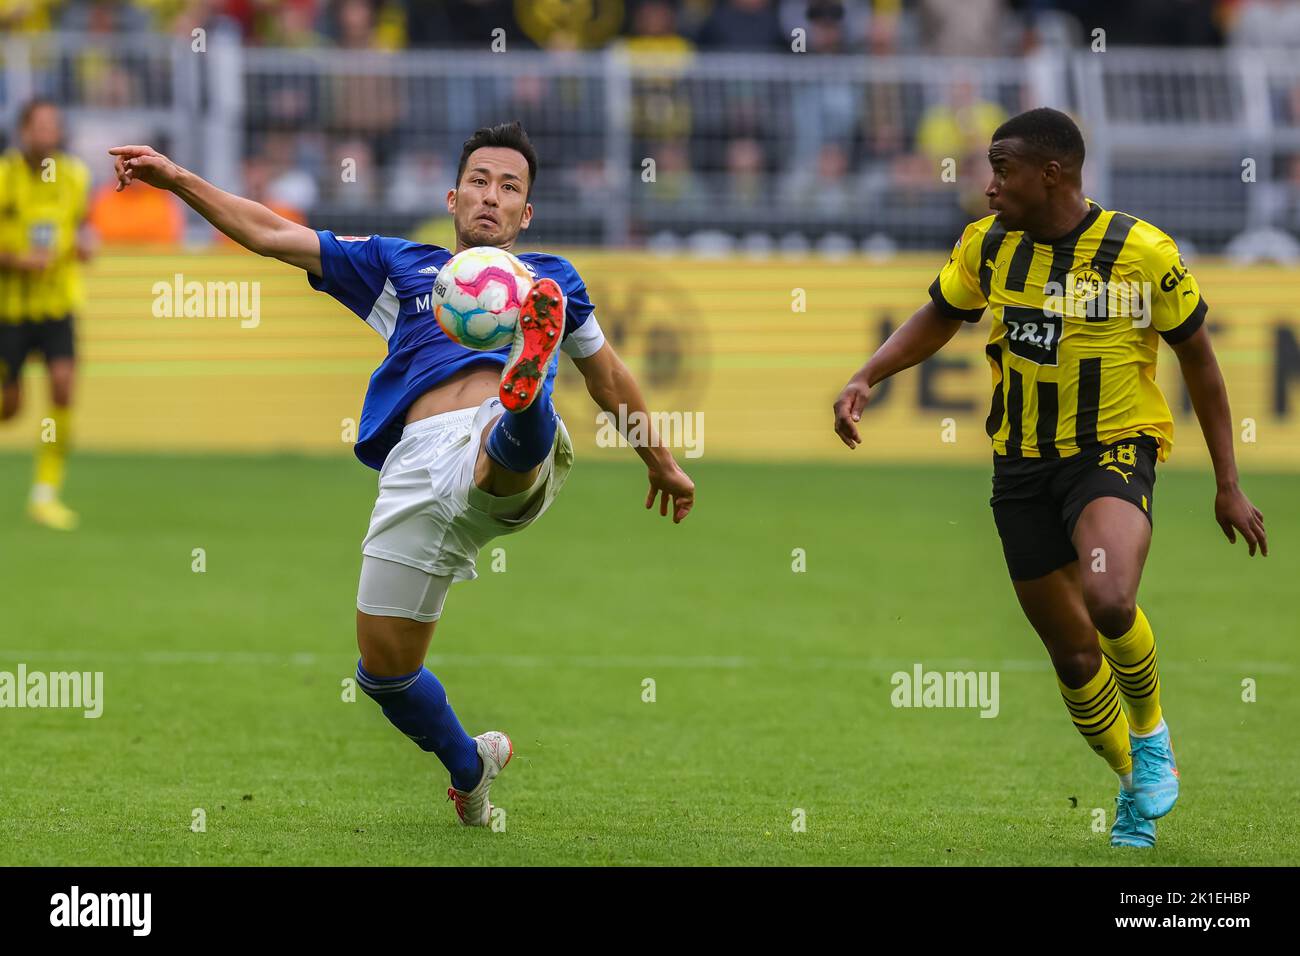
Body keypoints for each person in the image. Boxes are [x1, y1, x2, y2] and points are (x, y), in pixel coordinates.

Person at [110, 121, 696, 826]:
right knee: (383, 672)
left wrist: (660, 461)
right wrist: (177, 178)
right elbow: (271, 233)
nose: (491, 197)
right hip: (415, 466)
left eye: (510, 188)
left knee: (502, 449)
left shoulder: (551, 277)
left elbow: (607, 378)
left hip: (498, 444)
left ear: (525, 214)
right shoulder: (397, 264)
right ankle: (469, 768)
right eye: (479, 181)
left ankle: (526, 390)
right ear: (453, 198)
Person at [833, 108, 1267, 849]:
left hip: (1113, 449)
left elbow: (1200, 359)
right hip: (1022, 463)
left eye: (1002, 169)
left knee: (1107, 595)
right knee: (1071, 656)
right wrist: (869, 374)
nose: (990, 184)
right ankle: (1134, 782)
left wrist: (1228, 481)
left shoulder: (1140, 251)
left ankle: (1154, 737)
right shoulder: (989, 246)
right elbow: (942, 314)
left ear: (1052, 173)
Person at [0, 99, 94, 530]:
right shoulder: (5, 176)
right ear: (23, 131)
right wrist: (18, 261)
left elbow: (82, 224)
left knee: (62, 385)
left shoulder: (74, 176)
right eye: (38, 127)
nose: (45, 134)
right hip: (10, 309)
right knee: (10, 406)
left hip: (58, 302)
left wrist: (87, 242)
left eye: (52, 127)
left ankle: (45, 494)